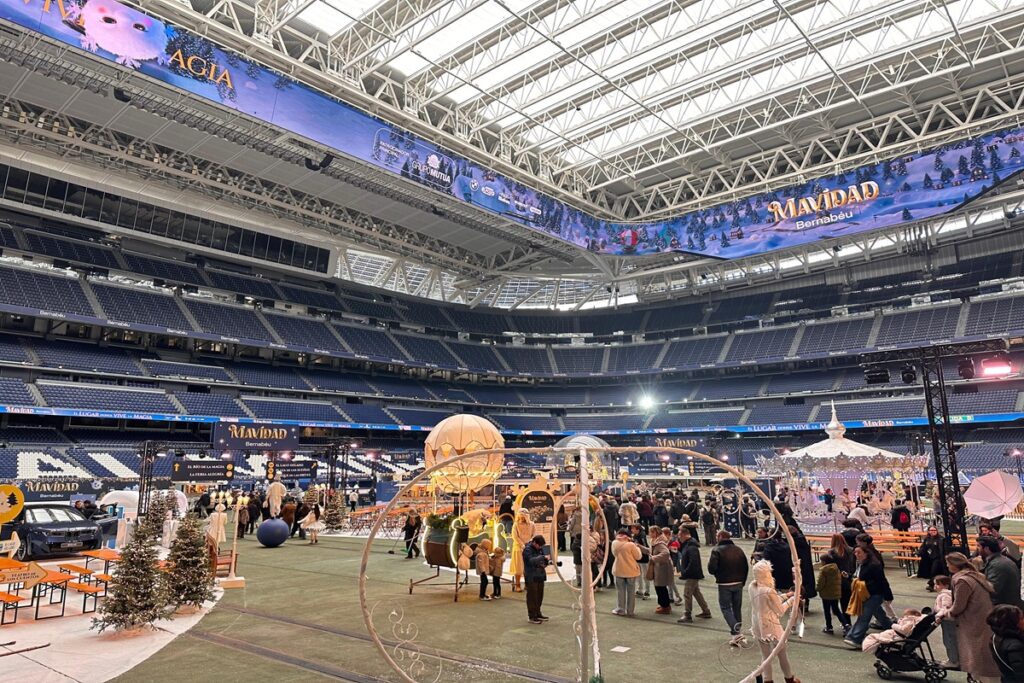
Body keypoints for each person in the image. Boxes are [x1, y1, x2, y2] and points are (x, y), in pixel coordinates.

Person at [946, 551, 1002, 682]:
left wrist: (946, 612)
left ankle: (978, 678)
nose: (947, 566)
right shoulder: (975, 575)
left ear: (954, 565)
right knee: (983, 652)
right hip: (983, 617)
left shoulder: (961, 580)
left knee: (976, 653)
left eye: (948, 563)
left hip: (973, 621)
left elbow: (958, 606)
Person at [748, 559, 801, 683]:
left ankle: (768, 680)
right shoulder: (768, 590)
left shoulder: (752, 586)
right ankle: (789, 678)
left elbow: (769, 602)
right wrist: (792, 600)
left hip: (757, 624)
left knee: (765, 656)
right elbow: (780, 610)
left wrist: (786, 595)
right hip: (771, 625)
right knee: (781, 653)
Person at [844, 545, 893, 648]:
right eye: (855, 552)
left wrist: (888, 595)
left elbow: (882, 581)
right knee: (880, 615)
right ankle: (893, 630)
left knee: (864, 616)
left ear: (866, 553)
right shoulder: (861, 564)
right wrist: (849, 576)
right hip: (867, 594)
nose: (856, 554)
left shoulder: (874, 565)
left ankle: (855, 638)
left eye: (859, 552)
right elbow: (857, 577)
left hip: (874, 594)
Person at [708, 530, 748, 642]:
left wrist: (717, 573)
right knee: (737, 608)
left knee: (725, 608)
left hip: (724, 583)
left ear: (720, 536)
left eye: (717, 536)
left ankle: (736, 632)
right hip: (739, 582)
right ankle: (737, 631)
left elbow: (711, 569)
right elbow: (745, 566)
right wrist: (743, 581)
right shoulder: (739, 549)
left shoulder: (716, 550)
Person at [677, 526, 712, 623]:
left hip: (692, 574)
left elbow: (693, 562)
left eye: (680, 535)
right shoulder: (688, 544)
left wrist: (686, 572)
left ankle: (687, 614)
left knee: (687, 593)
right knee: (696, 593)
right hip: (693, 573)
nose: (679, 538)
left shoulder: (691, 547)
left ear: (684, 535)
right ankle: (706, 611)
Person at [980, 536, 1023, 607]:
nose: (977, 549)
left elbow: (992, 589)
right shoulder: (1000, 560)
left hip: (1004, 607)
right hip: (1009, 604)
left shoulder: (997, 565)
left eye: (978, 546)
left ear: (987, 549)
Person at [816, 551, 851, 636]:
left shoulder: (823, 570)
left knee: (827, 611)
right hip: (835, 593)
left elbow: (820, 582)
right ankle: (846, 624)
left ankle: (829, 627)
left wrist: (817, 588)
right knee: (836, 610)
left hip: (826, 594)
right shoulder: (836, 568)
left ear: (824, 562)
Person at [988, 604, 1024, 682]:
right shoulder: (1015, 646)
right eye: (1021, 618)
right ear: (1012, 623)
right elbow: (1021, 674)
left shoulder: (995, 638)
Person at [611, 529, 642, 616]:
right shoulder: (631, 545)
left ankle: (621, 609)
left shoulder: (614, 543)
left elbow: (614, 554)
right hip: (631, 570)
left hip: (619, 569)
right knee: (631, 592)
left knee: (620, 591)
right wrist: (637, 548)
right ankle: (630, 611)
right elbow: (638, 556)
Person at [933, 574, 960, 669]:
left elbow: (945, 608)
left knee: (949, 641)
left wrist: (938, 616)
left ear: (946, 585)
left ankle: (954, 661)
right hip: (947, 620)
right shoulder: (944, 594)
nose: (935, 586)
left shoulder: (945, 595)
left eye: (937, 584)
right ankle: (953, 659)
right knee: (949, 640)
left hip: (948, 620)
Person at [522, 535, 549, 624]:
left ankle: (538, 613)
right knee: (532, 596)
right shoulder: (527, 549)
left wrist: (546, 562)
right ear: (534, 542)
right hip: (531, 575)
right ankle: (532, 616)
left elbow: (541, 559)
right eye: (539, 545)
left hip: (540, 574)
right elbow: (530, 561)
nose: (540, 547)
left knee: (539, 595)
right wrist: (542, 557)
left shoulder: (539, 549)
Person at [649, 528, 674, 615]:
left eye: (651, 532)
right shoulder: (655, 542)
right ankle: (664, 605)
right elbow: (651, 551)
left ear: (655, 533)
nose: (649, 534)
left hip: (662, 567)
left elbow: (666, 553)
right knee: (659, 586)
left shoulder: (659, 544)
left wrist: (653, 558)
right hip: (660, 567)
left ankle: (665, 606)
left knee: (660, 587)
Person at [510, 508, 534, 593]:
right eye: (521, 516)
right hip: (518, 548)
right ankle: (517, 585)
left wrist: (529, 544)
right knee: (518, 568)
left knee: (528, 567)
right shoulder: (515, 525)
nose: (522, 518)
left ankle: (527, 584)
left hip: (529, 549)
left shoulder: (532, 524)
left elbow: (533, 535)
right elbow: (515, 536)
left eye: (524, 517)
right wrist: (522, 545)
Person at [830, 533, 855, 612]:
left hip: (836, 577)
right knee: (845, 598)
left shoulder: (831, 552)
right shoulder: (850, 550)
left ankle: (837, 612)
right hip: (847, 576)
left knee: (835, 597)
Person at [918, 526, 946, 590]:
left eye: (934, 530)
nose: (933, 531)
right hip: (929, 558)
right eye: (931, 530)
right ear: (928, 531)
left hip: (937, 558)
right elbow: (923, 547)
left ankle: (931, 584)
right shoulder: (927, 539)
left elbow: (942, 549)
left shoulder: (941, 539)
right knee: (930, 571)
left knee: (934, 571)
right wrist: (919, 552)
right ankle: (933, 584)